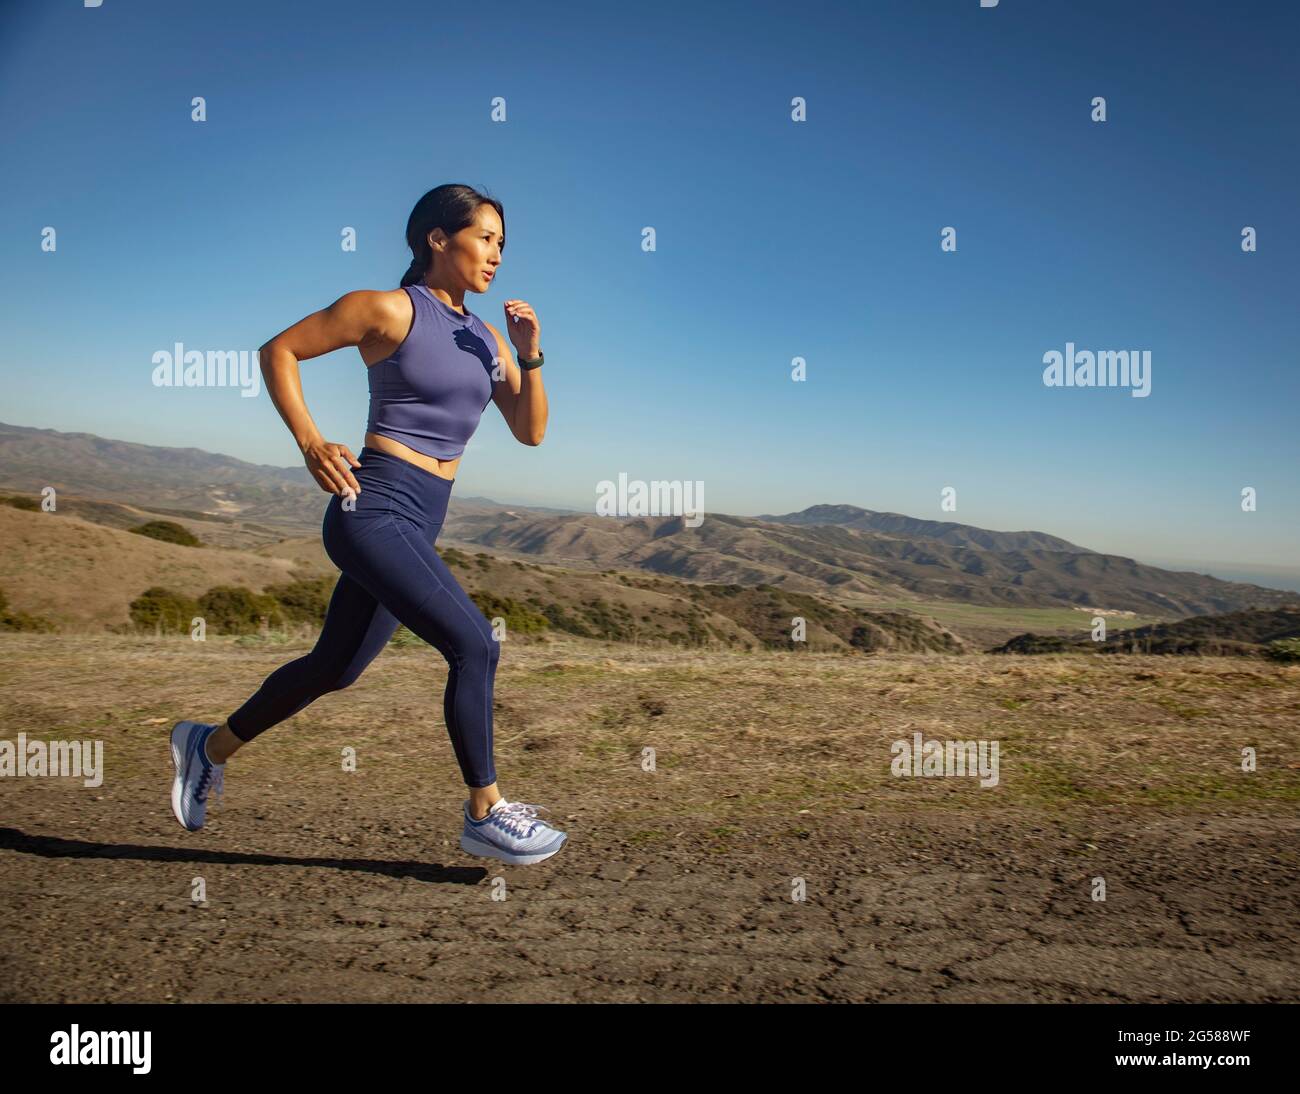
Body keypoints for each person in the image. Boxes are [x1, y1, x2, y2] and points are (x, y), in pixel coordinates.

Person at [170, 183, 565, 866]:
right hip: (372, 507)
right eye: (486, 237)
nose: (497, 254)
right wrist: (311, 443)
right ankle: (486, 812)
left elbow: (530, 431)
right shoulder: (386, 309)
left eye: (503, 243)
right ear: (438, 238)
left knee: (336, 667)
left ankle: (206, 748)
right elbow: (279, 352)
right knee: (476, 645)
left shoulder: (485, 335)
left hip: (421, 519)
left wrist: (529, 353)